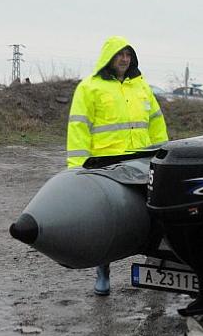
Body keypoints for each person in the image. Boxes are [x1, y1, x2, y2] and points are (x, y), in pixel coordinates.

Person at [67, 36, 168, 294]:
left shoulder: (142, 87)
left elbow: (156, 123)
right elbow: (78, 128)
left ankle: (155, 265)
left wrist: (164, 157)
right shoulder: (89, 88)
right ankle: (103, 271)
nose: (124, 59)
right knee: (107, 221)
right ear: (108, 57)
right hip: (106, 166)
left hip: (142, 162)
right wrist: (77, 167)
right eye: (119, 54)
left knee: (153, 214)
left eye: (128, 54)